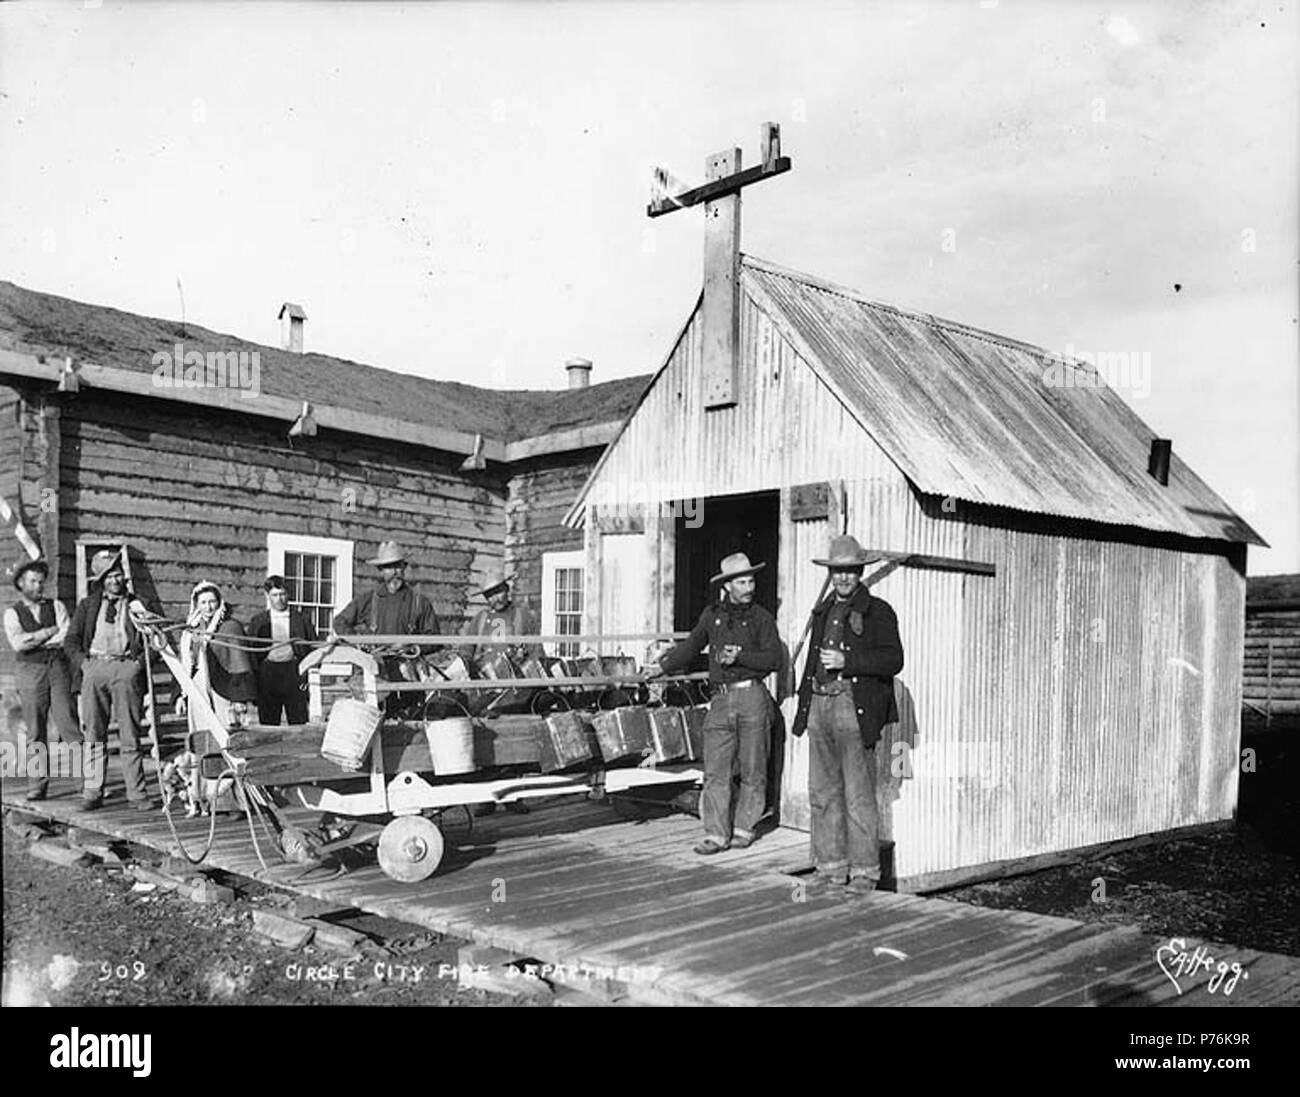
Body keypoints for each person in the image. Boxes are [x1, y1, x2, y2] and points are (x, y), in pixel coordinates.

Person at [791, 534, 904, 897]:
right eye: (838, 571)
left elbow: (893, 660)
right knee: (822, 792)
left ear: (860, 572)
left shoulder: (879, 611)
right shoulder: (822, 611)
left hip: (852, 706)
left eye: (850, 571)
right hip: (820, 707)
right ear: (831, 572)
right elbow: (810, 663)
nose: (843, 578)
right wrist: (803, 708)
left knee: (858, 795)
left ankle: (865, 873)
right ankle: (830, 868)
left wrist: (848, 662)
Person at [653, 552, 782, 855]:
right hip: (720, 700)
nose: (748, 587)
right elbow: (692, 645)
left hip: (752, 697)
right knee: (715, 770)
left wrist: (741, 657)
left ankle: (744, 828)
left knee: (753, 769)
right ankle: (715, 834)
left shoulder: (762, 618)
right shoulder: (712, 615)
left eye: (750, 580)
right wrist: (663, 668)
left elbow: (774, 659)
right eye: (741, 582)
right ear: (727, 586)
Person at [65, 549, 156, 811]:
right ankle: (93, 792)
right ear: (101, 580)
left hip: (126, 669)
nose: (116, 580)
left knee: (130, 734)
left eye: (119, 575)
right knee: (94, 734)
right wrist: (85, 664)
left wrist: (138, 665)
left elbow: (156, 640)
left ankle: (137, 795)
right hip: (95, 669)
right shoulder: (88, 606)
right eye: (110, 576)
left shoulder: (139, 604)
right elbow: (71, 640)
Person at [175, 581, 258, 813]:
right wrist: (181, 695)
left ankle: (234, 801)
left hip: (223, 691)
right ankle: (205, 798)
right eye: (203, 602)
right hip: (197, 691)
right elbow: (185, 665)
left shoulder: (230, 627)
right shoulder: (190, 630)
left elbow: (241, 663)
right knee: (202, 742)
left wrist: (240, 698)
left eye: (212, 601)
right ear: (196, 604)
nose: (208, 606)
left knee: (226, 741)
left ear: (219, 602)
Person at [4, 558, 82, 802]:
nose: (39, 586)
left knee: (69, 724)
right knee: (35, 730)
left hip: (58, 669)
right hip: (29, 671)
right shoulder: (12, 613)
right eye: (33, 582)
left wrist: (34, 638)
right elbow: (18, 643)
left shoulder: (56, 606)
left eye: (41, 581)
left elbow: (65, 634)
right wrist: (48, 632)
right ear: (21, 584)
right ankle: (37, 786)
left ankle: (88, 785)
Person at [247, 575, 318, 725]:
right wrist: (255, 680)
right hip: (268, 672)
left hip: (294, 671)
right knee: (268, 722)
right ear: (267, 596)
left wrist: (307, 676)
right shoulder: (258, 621)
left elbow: (314, 649)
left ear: (288, 594)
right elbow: (251, 654)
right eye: (274, 595)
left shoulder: (301, 619)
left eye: (282, 594)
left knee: (298, 720)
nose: (279, 599)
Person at [460, 574, 543, 666]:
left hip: (513, 676)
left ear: (506, 589)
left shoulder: (522, 616)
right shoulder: (480, 619)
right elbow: (466, 650)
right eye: (489, 596)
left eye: (498, 592)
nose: (495, 599)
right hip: (484, 676)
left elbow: (536, 653)